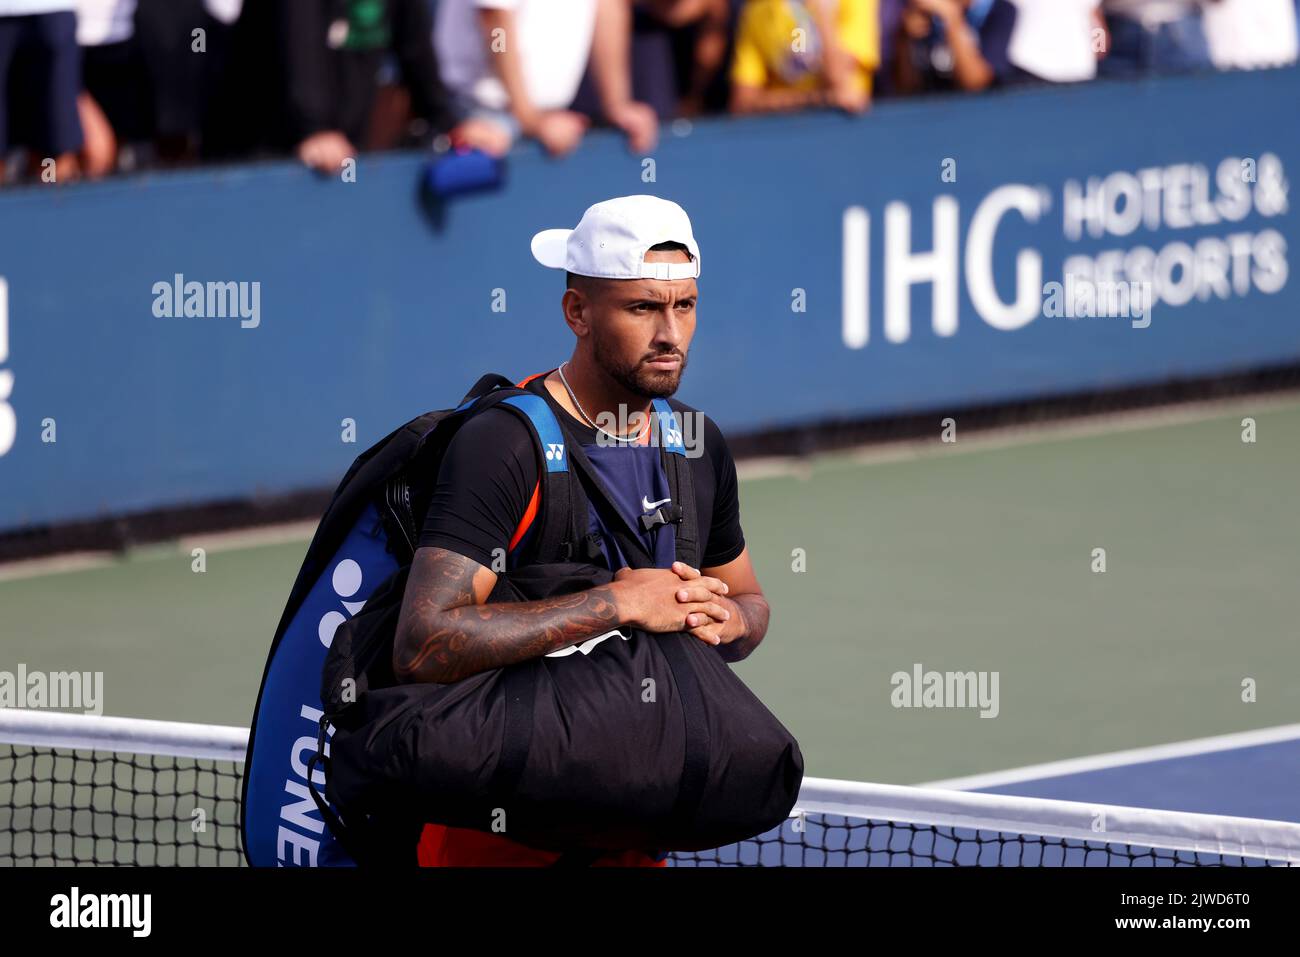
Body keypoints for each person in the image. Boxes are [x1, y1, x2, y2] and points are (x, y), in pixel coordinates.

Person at [393, 194, 771, 867]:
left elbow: (750, 600)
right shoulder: (503, 445)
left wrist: (727, 620)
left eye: (684, 306)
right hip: (494, 841)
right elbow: (424, 643)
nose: (671, 334)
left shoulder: (696, 443)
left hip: (632, 825)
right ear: (578, 313)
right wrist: (617, 604)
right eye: (642, 308)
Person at [434, 0, 659, 157]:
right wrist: (530, 120)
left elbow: (608, 7)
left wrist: (617, 104)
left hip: (547, 118)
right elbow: (494, 19)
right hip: (476, 115)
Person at [729, 0, 879, 114]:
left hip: (843, 132)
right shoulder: (758, 11)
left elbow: (844, 86)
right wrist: (818, 99)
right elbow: (743, 104)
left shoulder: (855, 3)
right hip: (782, 134)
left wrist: (822, 13)